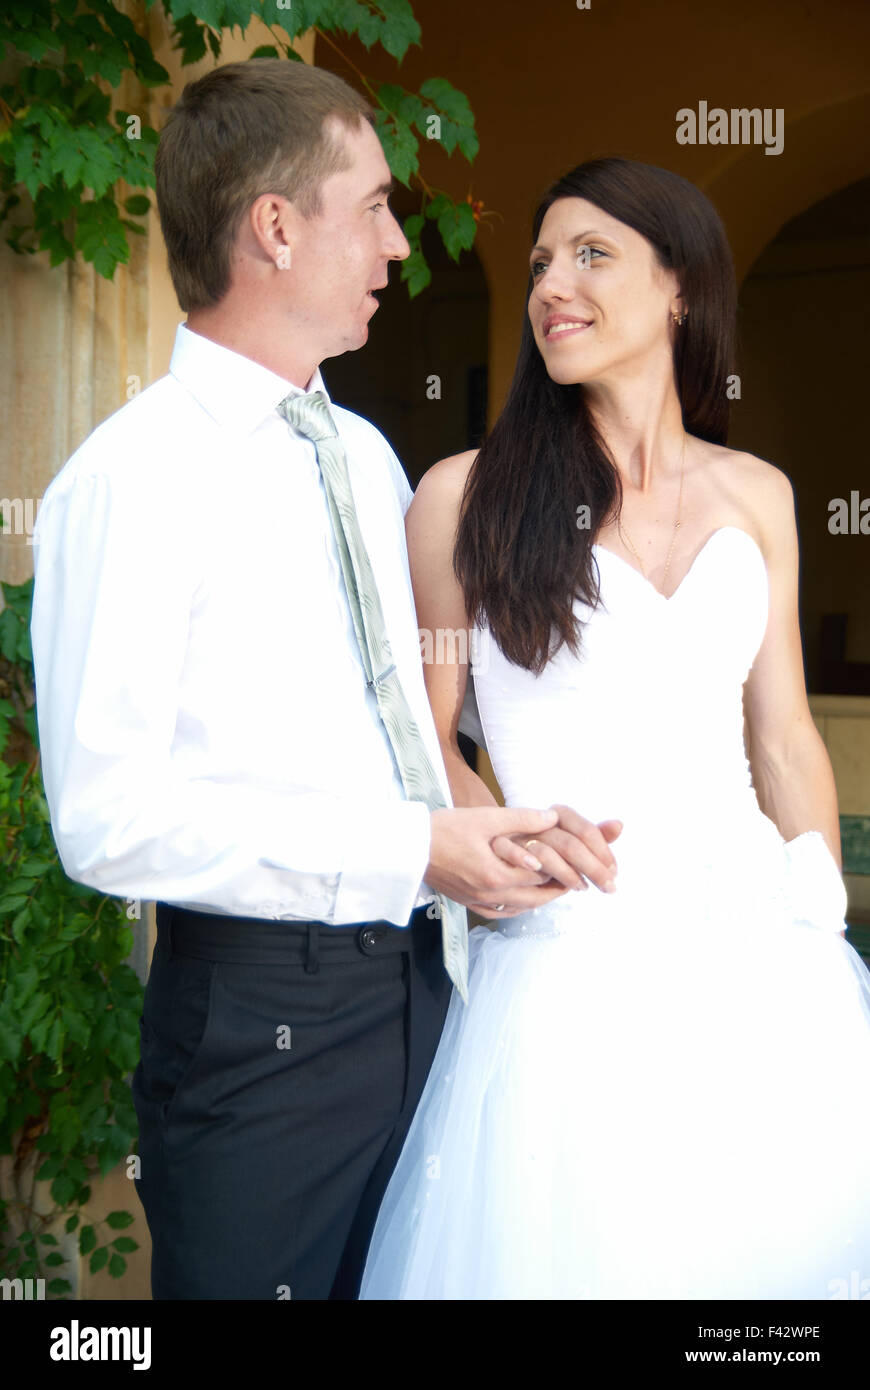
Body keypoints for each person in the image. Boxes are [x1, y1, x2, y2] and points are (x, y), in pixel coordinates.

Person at [28, 60, 613, 1301]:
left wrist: (489, 836)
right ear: (277, 227)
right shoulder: (129, 483)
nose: (402, 245)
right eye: (376, 207)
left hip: (427, 989)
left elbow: (407, 728)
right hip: (255, 1031)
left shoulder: (364, 456)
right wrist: (411, 855)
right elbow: (105, 820)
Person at [359, 156, 870, 1300]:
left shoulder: (762, 493)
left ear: (680, 286)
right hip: (565, 969)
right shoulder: (463, 494)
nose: (552, 285)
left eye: (592, 255)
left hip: (762, 960)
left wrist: (816, 913)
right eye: (542, 262)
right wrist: (503, 852)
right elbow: (430, 739)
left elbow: (782, 732)